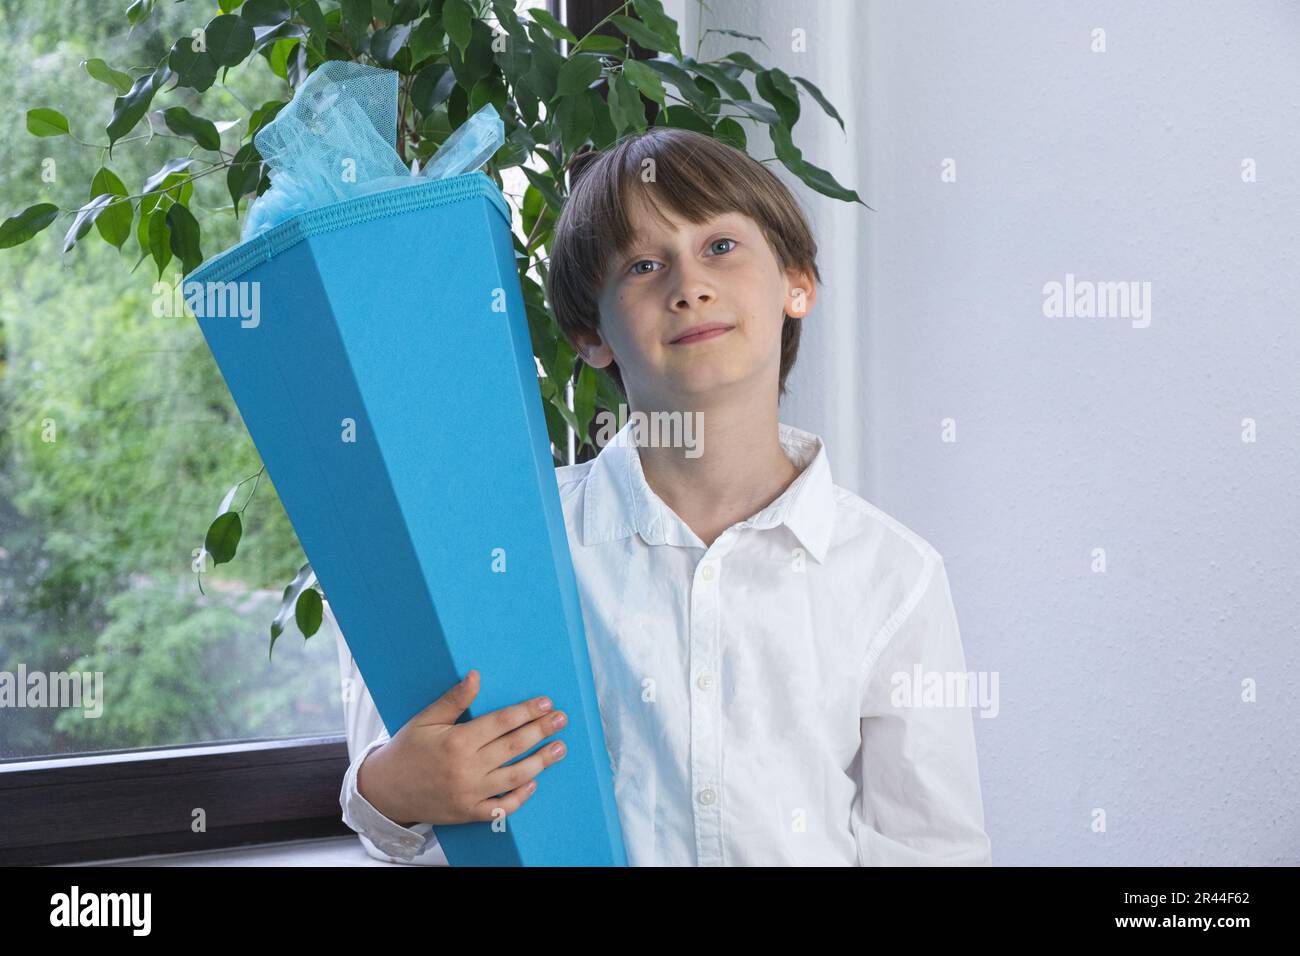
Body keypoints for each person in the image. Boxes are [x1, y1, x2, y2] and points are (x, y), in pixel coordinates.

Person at [334, 126, 992, 866]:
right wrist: (395, 785)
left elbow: (932, 847)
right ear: (592, 337)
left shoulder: (894, 577)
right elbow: (388, 823)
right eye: (644, 265)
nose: (689, 286)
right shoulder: (511, 544)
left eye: (720, 247)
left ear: (797, 284)